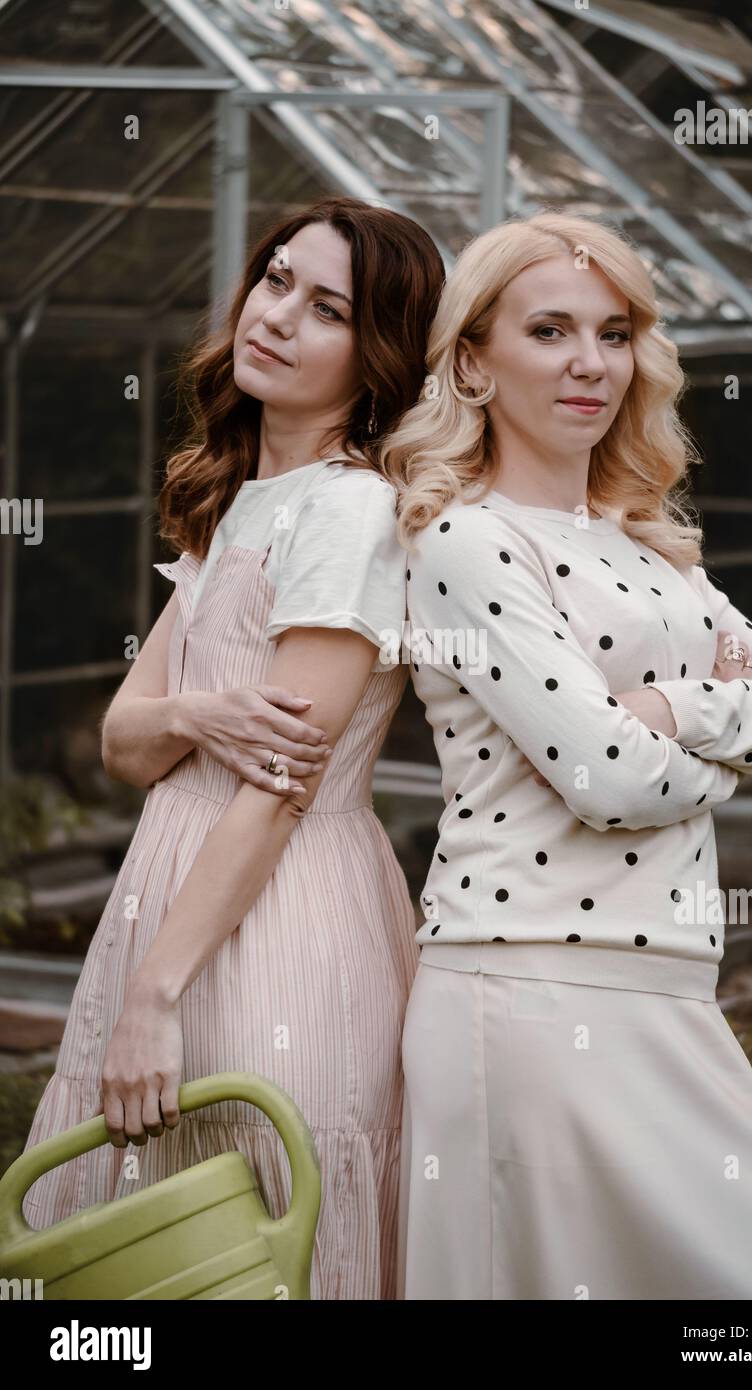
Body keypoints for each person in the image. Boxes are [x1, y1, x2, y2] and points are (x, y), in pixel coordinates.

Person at [380, 211, 752, 1300]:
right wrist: (717, 743)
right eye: (547, 330)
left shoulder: (647, 544)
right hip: (529, 986)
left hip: (668, 985)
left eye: (612, 330)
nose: (589, 361)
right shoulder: (463, 540)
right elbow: (607, 783)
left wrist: (671, 713)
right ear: (473, 362)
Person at [19, 196, 444, 1301]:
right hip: (174, 892)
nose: (276, 315)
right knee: (160, 1243)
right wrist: (196, 715)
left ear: (379, 353)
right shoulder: (246, 498)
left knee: (258, 1217)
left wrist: (154, 994)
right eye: (273, 280)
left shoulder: (347, 512)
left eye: (326, 308)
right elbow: (123, 740)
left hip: (278, 908)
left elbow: (277, 789)